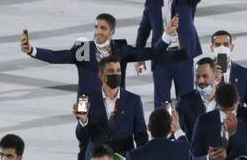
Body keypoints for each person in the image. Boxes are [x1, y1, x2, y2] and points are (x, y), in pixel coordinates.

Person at [21, 12, 154, 97]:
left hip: (115, 101)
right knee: (83, 131)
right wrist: (32, 50)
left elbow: (148, 53)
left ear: (112, 32)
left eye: (103, 28)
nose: (98, 32)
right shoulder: (84, 49)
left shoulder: (121, 49)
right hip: (85, 102)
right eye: (96, 27)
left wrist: (164, 41)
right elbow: (56, 56)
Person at [135, 0, 204, 106]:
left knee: (186, 102)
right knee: (162, 104)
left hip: (183, 57)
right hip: (161, 57)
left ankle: (184, 122)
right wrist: (139, 55)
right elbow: (144, 28)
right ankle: (163, 122)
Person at [73, 56, 147, 160]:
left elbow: (141, 135)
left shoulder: (134, 100)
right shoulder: (85, 99)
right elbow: (82, 137)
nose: (116, 74)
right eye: (111, 71)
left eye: (118, 71)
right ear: (101, 76)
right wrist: (83, 121)